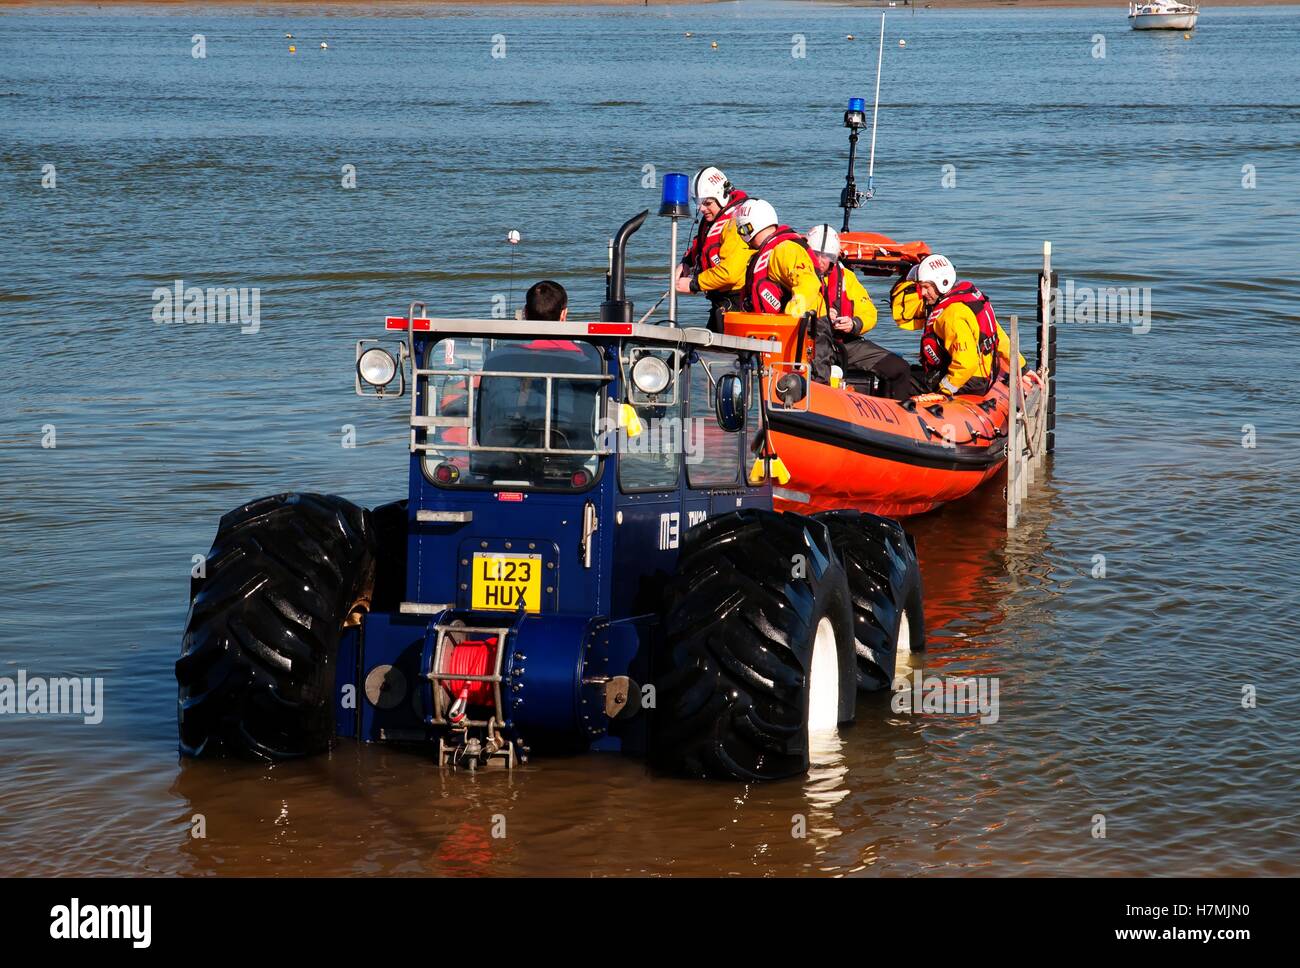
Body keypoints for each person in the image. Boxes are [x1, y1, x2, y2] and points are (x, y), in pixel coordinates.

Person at [805, 223, 912, 400]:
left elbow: (869, 311)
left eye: (827, 256)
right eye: (816, 255)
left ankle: (891, 414)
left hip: (845, 343)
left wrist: (854, 323)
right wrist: (820, 315)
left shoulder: (846, 277)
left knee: (898, 368)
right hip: (811, 344)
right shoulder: (797, 273)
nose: (821, 261)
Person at [906, 254, 1023, 398]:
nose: (923, 293)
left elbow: (966, 363)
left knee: (901, 380)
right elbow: (999, 337)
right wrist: (1023, 368)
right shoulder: (970, 299)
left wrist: (944, 390)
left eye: (926, 287)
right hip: (985, 375)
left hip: (970, 381)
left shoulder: (951, 315)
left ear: (942, 283)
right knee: (911, 371)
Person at [674, 166, 750, 331]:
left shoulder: (737, 224)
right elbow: (702, 243)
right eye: (698, 202)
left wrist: (694, 284)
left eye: (707, 203)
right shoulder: (713, 219)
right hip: (720, 303)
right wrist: (686, 262)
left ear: (722, 197)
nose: (701, 209)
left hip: (737, 304)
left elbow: (729, 273)